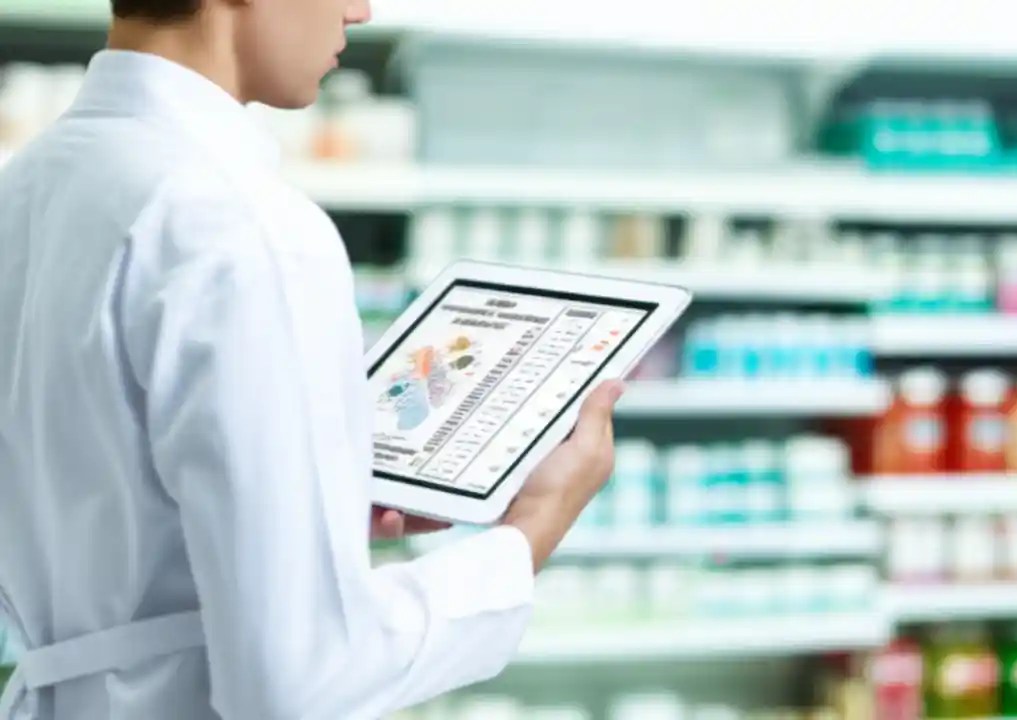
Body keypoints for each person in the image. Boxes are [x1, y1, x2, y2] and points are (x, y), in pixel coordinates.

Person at [0, 0, 624, 717]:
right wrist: (533, 528)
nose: (359, 11)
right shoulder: (244, 223)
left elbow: (102, 494)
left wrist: (306, 501)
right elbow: (301, 682)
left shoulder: (27, 187)